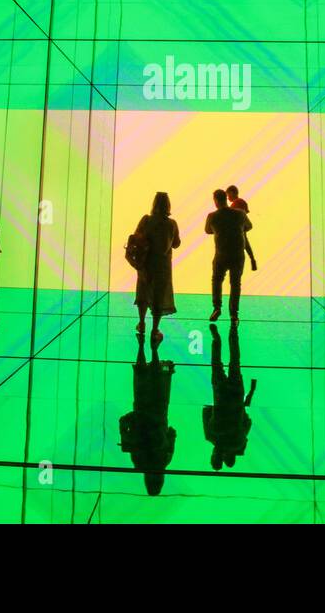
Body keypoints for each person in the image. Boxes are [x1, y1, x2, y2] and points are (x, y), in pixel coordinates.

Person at [119, 335, 176, 495]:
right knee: (141, 375)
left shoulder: (165, 460)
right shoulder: (139, 463)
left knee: (158, 379)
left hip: (159, 411)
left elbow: (172, 434)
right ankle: (142, 345)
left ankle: (154, 349)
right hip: (142, 410)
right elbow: (127, 436)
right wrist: (130, 419)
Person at [203, 322, 256, 470]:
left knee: (235, 361)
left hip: (236, 396)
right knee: (216, 363)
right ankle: (216, 338)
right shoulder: (211, 436)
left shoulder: (239, 442)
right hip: (220, 395)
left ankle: (233, 329)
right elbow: (206, 412)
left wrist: (240, 411)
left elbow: (248, 422)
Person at [132, 191, 181, 344]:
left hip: (145, 264)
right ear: (168, 205)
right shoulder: (171, 224)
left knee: (143, 294)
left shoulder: (146, 220)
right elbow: (176, 244)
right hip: (162, 266)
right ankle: (155, 330)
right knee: (159, 296)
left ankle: (141, 323)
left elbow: (136, 237)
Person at [205, 189, 252, 323]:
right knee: (235, 283)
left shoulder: (212, 216)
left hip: (221, 253)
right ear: (226, 198)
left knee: (217, 280)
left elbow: (208, 230)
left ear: (215, 200)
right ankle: (233, 314)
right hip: (237, 254)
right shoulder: (240, 214)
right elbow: (248, 227)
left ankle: (217, 308)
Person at [224, 185, 257, 271]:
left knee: (242, 245)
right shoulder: (242, 202)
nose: (228, 198)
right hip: (242, 227)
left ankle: (250, 259)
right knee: (246, 243)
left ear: (233, 193)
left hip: (238, 228)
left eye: (228, 195)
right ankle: (252, 259)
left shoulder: (236, 203)